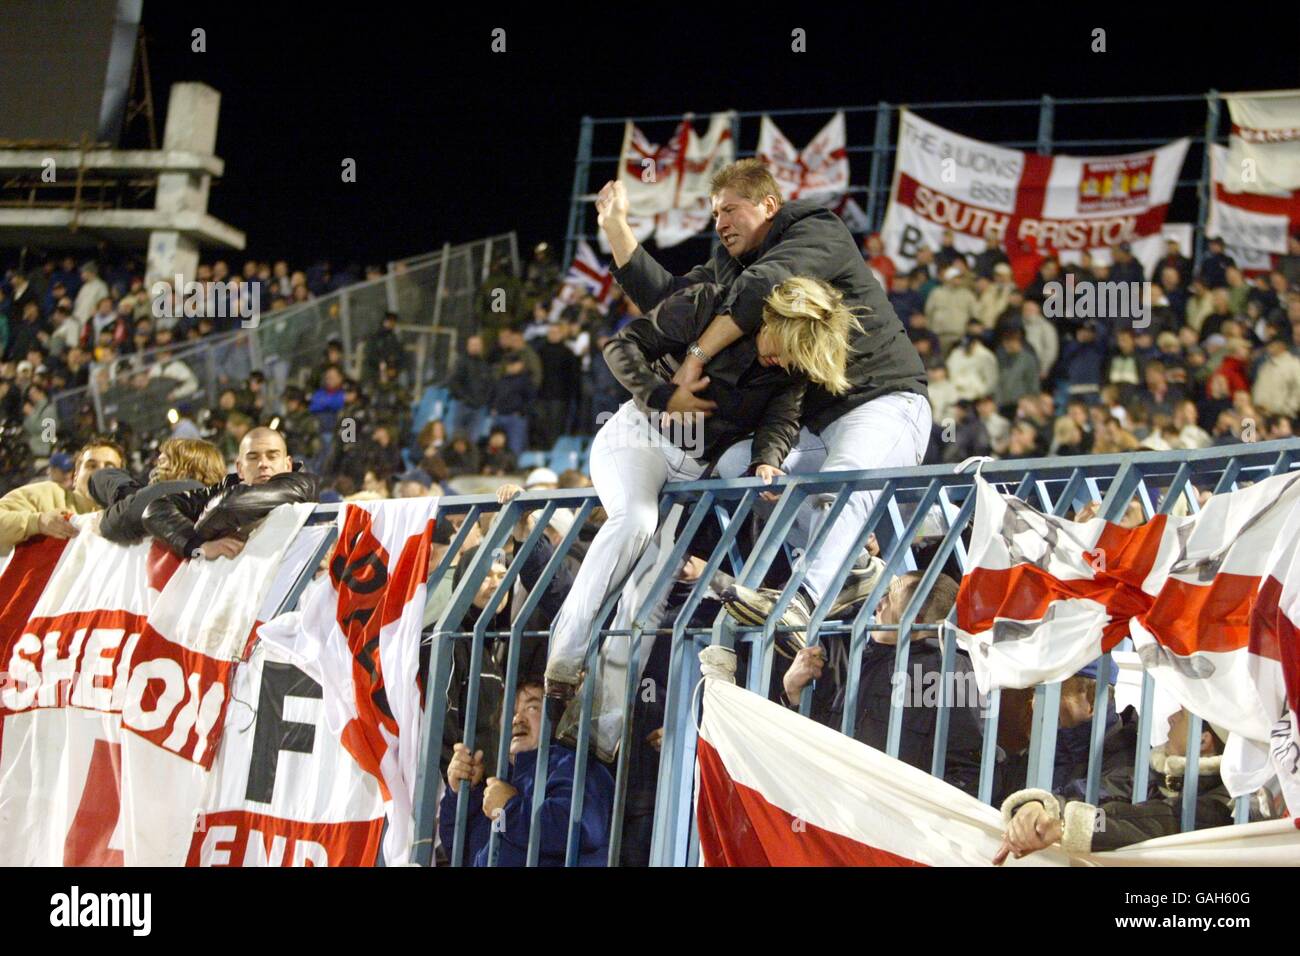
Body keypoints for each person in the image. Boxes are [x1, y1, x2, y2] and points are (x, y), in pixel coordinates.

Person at [594, 161, 929, 639]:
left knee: (841, 480)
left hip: (881, 400)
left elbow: (760, 288)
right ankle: (852, 568)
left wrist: (696, 353)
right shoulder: (734, 263)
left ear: (769, 206)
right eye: (714, 215)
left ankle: (805, 599)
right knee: (738, 464)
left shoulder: (817, 229)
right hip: (814, 418)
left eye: (730, 209)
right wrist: (617, 229)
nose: (720, 223)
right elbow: (673, 299)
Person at [544, 275, 855, 759]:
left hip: (689, 478)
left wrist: (767, 458)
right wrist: (664, 395)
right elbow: (621, 347)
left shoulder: (787, 366)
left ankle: (599, 735)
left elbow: (781, 420)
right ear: (772, 318)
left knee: (646, 601)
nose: (781, 362)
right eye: (783, 349)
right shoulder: (707, 305)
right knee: (635, 521)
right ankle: (565, 653)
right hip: (638, 439)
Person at [438, 677, 614, 867]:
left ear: (556, 717)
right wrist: (463, 793)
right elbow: (460, 852)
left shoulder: (574, 765)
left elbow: (580, 828)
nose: (517, 719)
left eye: (532, 708)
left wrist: (509, 809)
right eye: (510, 712)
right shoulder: (502, 787)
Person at [142, 427, 319, 560]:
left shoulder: (302, 486)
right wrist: (199, 546)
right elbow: (155, 509)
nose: (263, 464)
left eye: (272, 456)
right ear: (240, 468)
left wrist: (203, 531)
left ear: (288, 464)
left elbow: (227, 505)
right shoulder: (226, 488)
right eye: (253, 457)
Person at [0, 436, 125, 555]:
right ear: (75, 476)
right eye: (92, 466)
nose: (100, 472)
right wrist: (37, 522)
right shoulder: (46, 495)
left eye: (110, 467)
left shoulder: (126, 519)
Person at [90, 438, 227, 544]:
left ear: (187, 467)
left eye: (163, 463)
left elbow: (124, 517)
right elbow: (101, 477)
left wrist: (103, 522)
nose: (156, 468)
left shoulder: (194, 489)